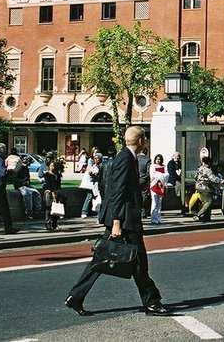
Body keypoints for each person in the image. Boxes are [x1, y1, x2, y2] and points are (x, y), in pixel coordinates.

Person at [65, 126, 172, 317]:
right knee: (139, 260)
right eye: (145, 139)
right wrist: (116, 222)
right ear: (140, 141)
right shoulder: (125, 158)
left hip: (122, 217)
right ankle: (151, 301)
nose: (145, 142)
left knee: (101, 258)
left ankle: (75, 296)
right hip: (124, 219)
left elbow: (121, 187)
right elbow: (117, 192)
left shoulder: (126, 157)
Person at [192, 156, 224, 222]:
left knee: (204, 202)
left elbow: (195, 177)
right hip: (206, 187)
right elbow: (213, 179)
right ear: (209, 163)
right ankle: (199, 214)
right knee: (209, 201)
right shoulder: (208, 170)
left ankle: (206, 217)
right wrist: (223, 181)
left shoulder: (199, 169)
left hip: (198, 187)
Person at [12, 154, 42, 220]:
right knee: (27, 194)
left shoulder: (25, 168)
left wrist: (27, 183)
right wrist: (23, 182)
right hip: (20, 185)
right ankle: (29, 212)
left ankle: (38, 211)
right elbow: (14, 179)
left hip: (26, 184)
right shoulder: (18, 168)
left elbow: (28, 177)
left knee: (37, 193)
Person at [81, 152, 103, 219]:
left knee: (99, 200)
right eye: (95, 158)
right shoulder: (93, 166)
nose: (96, 160)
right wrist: (92, 175)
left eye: (97, 158)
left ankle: (99, 215)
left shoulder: (103, 166)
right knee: (91, 198)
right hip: (93, 185)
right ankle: (85, 212)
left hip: (100, 185)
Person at [42, 159, 62, 230]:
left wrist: (58, 192)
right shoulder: (47, 174)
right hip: (49, 192)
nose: (52, 167)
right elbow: (48, 185)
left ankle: (55, 224)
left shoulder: (57, 175)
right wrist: (53, 192)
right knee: (49, 207)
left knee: (56, 208)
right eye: (50, 166)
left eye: (53, 166)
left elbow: (59, 185)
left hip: (56, 192)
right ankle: (48, 223)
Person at [148, 154, 167, 223]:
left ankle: (159, 217)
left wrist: (160, 176)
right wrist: (161, 176)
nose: (158, 160)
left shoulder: (164, 167)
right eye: (157, 159)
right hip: (154, 185)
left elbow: (166, 175)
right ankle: (153, 218)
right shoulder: (152, 166)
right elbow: (152, 175)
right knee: (154, 202)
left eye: (159, 159)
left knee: (159, 203)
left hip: (161, 186)